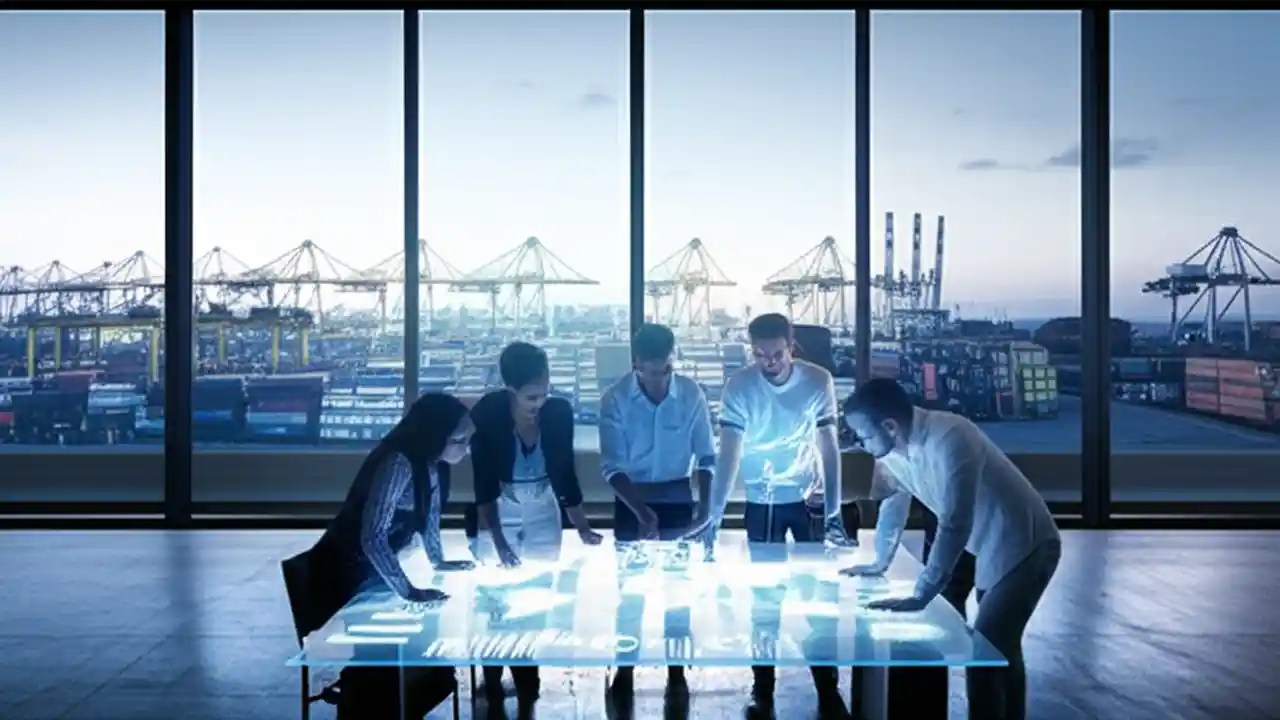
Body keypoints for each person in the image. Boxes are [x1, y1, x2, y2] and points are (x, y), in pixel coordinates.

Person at [840, 378, 1061, 720]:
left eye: (864, 435)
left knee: (984, 656)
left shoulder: (952, 437)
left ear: (889, 426)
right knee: (1003, 651)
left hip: (1026, 545)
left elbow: (956, 521)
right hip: (989, 547)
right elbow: (895, 502)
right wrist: (879, 561)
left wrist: (923, 592)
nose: (861, 443)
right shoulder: (895, 448)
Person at [684, 313, 854, 720]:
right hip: (762, 501)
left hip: (805, 496)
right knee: (764, 597)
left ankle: (827, 686)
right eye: (760, 354)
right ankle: (763, 686)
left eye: (776, 353)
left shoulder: (817, 381)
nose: (769, 362)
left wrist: (833, 513)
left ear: (791, 346)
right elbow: (729, 453)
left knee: (819, 596)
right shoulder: (739, 386)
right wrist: (716, 515)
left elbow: (828, 448)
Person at [290, 392, 475, 719]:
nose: (466, 449)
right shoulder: (398, 463)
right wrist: (408, 591)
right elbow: (372, 536)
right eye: (461, 440)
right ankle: (368, 702)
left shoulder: (435, 465)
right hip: (342, 573)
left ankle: (387, 700)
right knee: (388, 655)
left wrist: (439, 561)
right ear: (436, 436)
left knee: (422, 648)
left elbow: (429, 519)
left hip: (370, 573)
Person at [469, 341, 603, 712]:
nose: (540, 403)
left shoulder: (558, 413)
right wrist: (497, 541)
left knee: (535, 592)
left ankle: (528, 675)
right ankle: (491, 677)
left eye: (545, 393)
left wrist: (582, 527)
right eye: (531, 397)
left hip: (544, 504)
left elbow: (564, 474)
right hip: (500, 503)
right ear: (510, 389)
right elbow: (481, 483)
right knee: (495, 598)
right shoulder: (490, 413)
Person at [598, 323, 715, 699]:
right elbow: (612, 468)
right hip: (631, 497)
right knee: (630, 593)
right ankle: (626, 671)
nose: (660, 378)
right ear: (636, 364)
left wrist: (705, 507)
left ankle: (676, 672)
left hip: (679, 495)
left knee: (677, 591)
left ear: (672, 360)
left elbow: (706, 456)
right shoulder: (614, 398)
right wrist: (641, 511)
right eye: (651, 370)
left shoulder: (690, 393)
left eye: (666, 369)